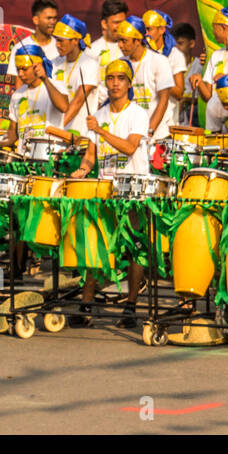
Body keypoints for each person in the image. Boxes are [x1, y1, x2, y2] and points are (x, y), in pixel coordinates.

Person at [71, 59, 151, 324]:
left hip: (133, 190)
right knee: (96, 245)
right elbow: (91, 155)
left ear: (129, 83)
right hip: (104, 189)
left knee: (134, 250)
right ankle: (86, 306)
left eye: (120, 78)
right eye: (111, 78)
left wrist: (100, 131)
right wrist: (83, 169)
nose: (115, 83)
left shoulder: (137, 113)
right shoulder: (100, 115)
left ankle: (130, 306)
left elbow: (129, 148)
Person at [116, 16, 173, 140]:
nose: (120, 45)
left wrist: (149, 131)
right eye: (118, 40)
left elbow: (164, 99)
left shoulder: (159, 61)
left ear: (137, 41)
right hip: (129, 136)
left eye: (124, 41)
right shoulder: (120, 64)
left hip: (158, 135)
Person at [6, 44, 69, 156]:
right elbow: (12, 133)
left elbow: (64, 107)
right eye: (18, 69)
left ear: (37, 66)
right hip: (23, 160)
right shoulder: (17, 95)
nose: (20, 74)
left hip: (50, 158)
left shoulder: (56, 86)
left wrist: (45, 79)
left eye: (24, 69)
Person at [45, 14, 100, 132]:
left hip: (81, 134)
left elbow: (78, 102)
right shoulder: (53, 63)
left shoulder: (89, 64)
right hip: (55, 133)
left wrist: (56, 129)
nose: (57, 45)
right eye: (56, 40)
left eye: (61, 41)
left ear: (75, 41)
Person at [145, 9, 188, 116]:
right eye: (143, 30)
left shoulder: (175, 55)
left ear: (162, 30)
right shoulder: (141, 52)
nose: (145, 34)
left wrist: (160, 79)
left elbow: (179, 93)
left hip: (167, 119)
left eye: (149, 29)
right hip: (142, 116)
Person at [7, 0, 60, 81]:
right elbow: (19, 84)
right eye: (49, 18)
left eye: (55, 18)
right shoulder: (21, 48)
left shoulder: (60, 47)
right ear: (36, 20)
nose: (53, 22)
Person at [173, 22, 200, 126]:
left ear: (191, 44)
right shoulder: (168, 65)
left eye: (180, 43)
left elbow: (206, 98)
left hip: (193, 115)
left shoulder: (200, 66)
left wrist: (186, 100)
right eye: (174, 45)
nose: (176, 48)